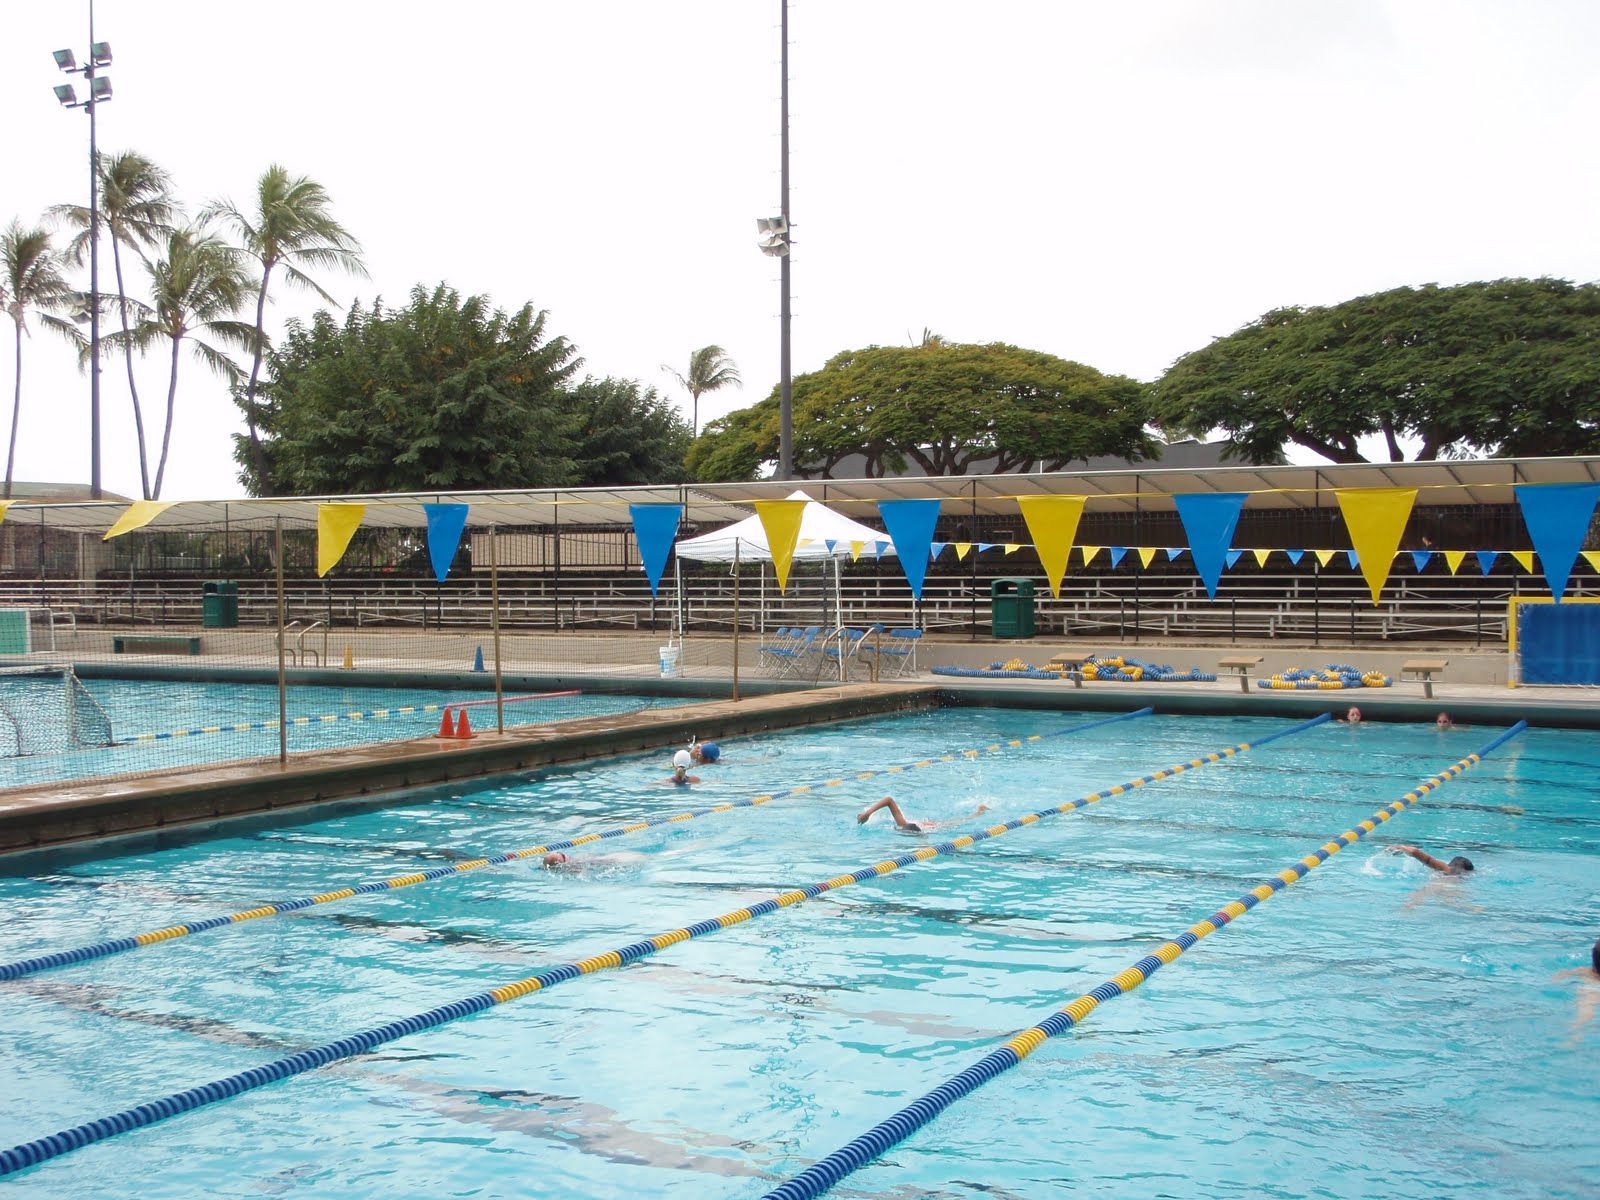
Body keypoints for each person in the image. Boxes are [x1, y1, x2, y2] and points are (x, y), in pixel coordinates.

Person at [1552, 939, 1600, 1044]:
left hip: (1593, 987)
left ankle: (1575, 1036)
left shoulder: (1584, 970)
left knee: (1585, 1010)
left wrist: (1557, 979)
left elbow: (1561, 974)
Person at [856, 796, 989, 833]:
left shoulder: (906, 827)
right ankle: (978, 812)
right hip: (926, 825)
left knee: (956, 823)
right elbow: (889, 800)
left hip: (928, 827)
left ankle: (978, 813)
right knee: (958, 821)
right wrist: (868, 813)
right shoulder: (902, 823)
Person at [1388, 843, 1474, 874]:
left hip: (1437, 887)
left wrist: (1400, 847)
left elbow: (1414, 851)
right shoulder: (1461, 875)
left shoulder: (1446, 868)